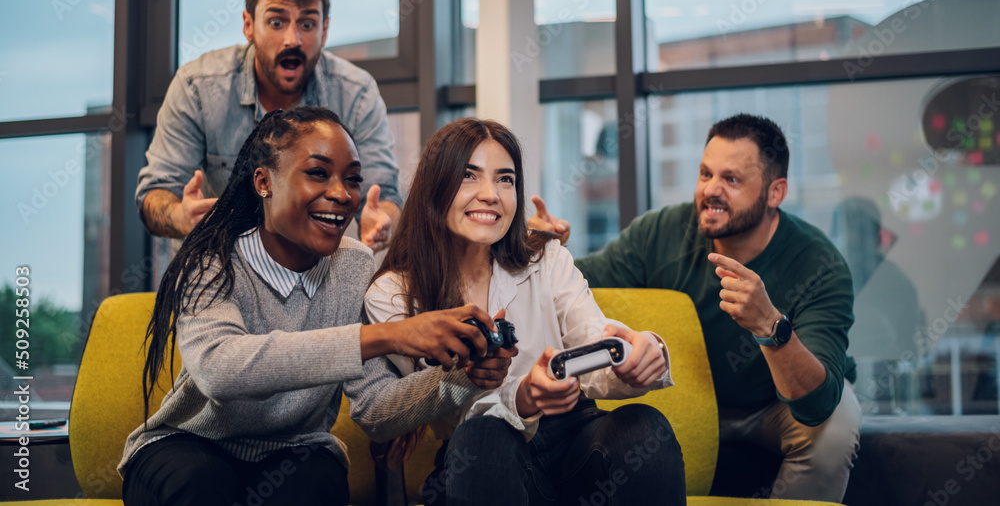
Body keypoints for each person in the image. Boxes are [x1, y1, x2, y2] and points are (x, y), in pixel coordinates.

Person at [120, 107, 506, 506]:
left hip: (293, 451)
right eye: (318, 173)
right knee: (202, 484)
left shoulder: (353, 265)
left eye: (352, 179)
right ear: (264, 181)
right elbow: (219, 369)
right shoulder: (212, 259)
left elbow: (375, 408)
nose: (342, 193)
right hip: (190, 445)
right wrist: (389, 334)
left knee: (315, 484)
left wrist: (465, 378)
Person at [530, 114, 861, 503]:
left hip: (774, 405)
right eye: (706, 174)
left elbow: (816, 402)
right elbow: (579, 288)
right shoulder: (661, 233)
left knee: (834, 428)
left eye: (731, 180)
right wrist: (547, 252)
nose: (711, 190)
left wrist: (770, 325)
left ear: (775, 193)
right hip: (687, 398)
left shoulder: (819, 264)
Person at [363, 117, 685, 506]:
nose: (491, 194)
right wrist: (522, 397)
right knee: (482, 436)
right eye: (469, 176)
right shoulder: (393, 294)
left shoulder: (545, 257)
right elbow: (431, 401)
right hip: (483, 455)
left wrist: (636, 355)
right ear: (435, 187)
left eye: (505, 179)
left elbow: (594, 336)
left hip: (575, 443)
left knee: (644, 427)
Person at [136, 0, 399, 252]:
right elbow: (154, 193)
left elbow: (385, 194)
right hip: (218, 273)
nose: (292, 39)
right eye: (276, 22)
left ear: (324, 31)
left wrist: (381, 221)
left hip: (315, 281)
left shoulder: (358, 94)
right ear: (248, 26)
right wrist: (181, 217)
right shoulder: (197, 87)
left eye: (307, 24)